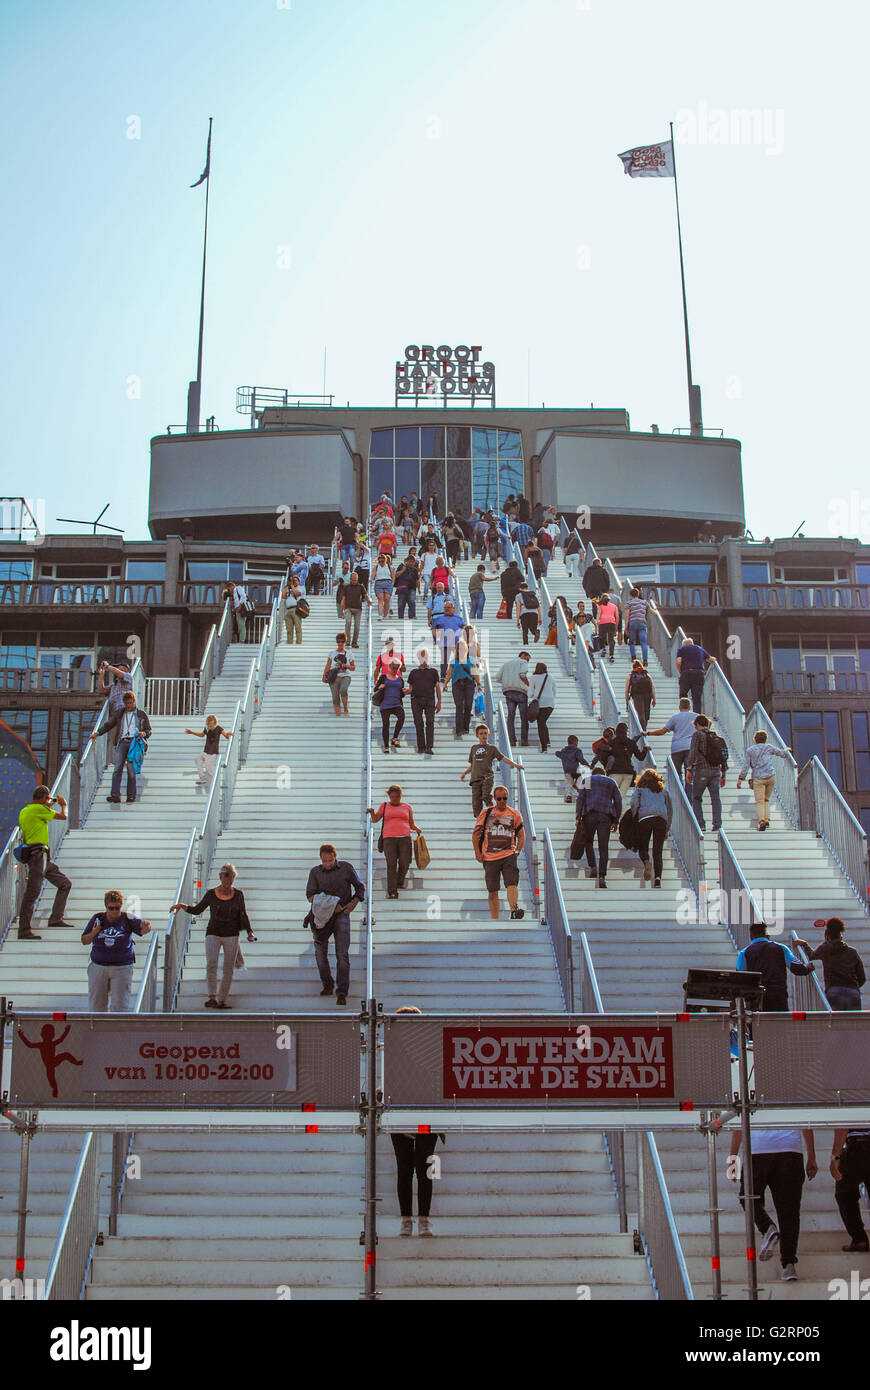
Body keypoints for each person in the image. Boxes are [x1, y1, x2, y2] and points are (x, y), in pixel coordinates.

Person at [729, 1128, 817, 1282]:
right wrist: (811, 1156)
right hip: (791, 1149)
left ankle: (768, 1228)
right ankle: (789, 1265)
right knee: (789, 1211)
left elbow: (738, 1123)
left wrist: (733, 1159)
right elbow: (805, 1121)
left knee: (748, 1197)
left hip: (758, 1150)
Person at [170, 863, 255, 1009]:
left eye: (230, 881)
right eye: (225, 880)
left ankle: (222, 999)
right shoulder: (211, 894)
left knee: (228, 968)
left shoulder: (238, 895)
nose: (227, 884)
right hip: (213, 933)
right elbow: (198, 910)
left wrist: (249, 931)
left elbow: (243, 914)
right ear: (221, 877)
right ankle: (211, 996)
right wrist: (183, 906)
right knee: (212, 964)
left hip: (231, 935)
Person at [391, 1006, 441, 1236]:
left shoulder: (429, 1049)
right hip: (401, 1110)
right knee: (405, 1168)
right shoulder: (395, 1050)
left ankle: (422, 1219)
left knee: (424, 1168)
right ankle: (408, 1220)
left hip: (425, 1111)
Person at [304, 843, 365, 1006]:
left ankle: (342, 992)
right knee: (320, 953)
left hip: (341, 915)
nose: (327, 864)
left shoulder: (346, 868)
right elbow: (310, 896)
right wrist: (330, 903)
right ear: (320, 859)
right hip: (322, 917)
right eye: (324, 861)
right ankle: (327, 984)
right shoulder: (315, 872)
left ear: (335, 857)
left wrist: (353, 903)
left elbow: (360, 887)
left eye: (330, 860)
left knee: (342, 954)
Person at [16, 785, 72, 939]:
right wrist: (63, 804)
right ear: (41, 798)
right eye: (47, 798)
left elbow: (42, 811)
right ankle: (24, 930)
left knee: (65, 884)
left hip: (40, 856)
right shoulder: (38, 809)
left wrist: (47, 804)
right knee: (32, 892)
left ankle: (56, 918)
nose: (49, 801)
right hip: (38, 854)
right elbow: (63, 816)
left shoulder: (26, 810)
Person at [82, 890, 151, 1011]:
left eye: (117, 908)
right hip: (99, 966)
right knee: (96, 1005)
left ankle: (116, 1029)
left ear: (121, 906)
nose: (114, 911)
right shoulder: (98, 918)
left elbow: (143, 930)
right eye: (111, 908)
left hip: (121, 967)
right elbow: (84, 940)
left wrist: (147, 927)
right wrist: (94, 932)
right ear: (106, 907)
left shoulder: (128, 918)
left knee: (120, 1005)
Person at [735, 922, 815, 1012]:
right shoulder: (781, 948)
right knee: (780, 1024)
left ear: (751, 936)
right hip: (779, 997)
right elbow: (798, 969)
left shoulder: (744, 953)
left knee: (758, 1025)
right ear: (767, 935)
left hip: (756, 1000)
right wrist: (808, 968)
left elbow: (739, 979)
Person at [472, 786, 526, 920]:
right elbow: (476, 834)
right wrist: (478, 853)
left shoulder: (515, 814)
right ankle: (495, 918)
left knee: (512, 882)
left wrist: (517, 851)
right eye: (499, 799)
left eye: (505, 798)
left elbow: (521, 835)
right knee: (492, 889)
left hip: (508, 854)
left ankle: (514, 909)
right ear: (495, 799)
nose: (502, 801)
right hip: (490, 857)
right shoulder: (486, 813)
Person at [89, 690, 152, 804]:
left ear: (134, 701)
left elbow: (148, 730)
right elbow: (109, 724)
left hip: (135, 743)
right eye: (126, 703)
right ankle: (115, 795)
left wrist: (143, 733)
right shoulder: (120, 713)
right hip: (122, 742)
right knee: (117, 769)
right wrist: (97, 733)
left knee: (131, 770)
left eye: (130, 703)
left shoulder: (141, 714)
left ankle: (131, 796)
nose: (128, 705)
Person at [792, 917, 866, 1010]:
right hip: (852, 992)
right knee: (854, 1023)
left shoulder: (825, 948)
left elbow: (811, 956)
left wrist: (804, 944)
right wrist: (852, 987)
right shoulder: (853, 952)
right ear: (841, 937)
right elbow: (862, 978)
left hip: (834, 991)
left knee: (835, 1023)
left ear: (827, 937)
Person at [366, 785, 422, 898]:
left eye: (397, 796)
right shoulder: (384, 806)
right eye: (392, 797)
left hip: (405, 838)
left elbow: (411, 823)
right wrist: (372, 812)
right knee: (391, 864)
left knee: (405, 862)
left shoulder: (407, 807)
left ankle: (399, 882)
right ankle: (392, 891)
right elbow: (376, 819)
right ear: (389, 796)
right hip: (389, 839)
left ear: (400, 796)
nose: (394, 799)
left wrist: (417, 829)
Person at [736, 730, 794, 831]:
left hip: (759, 778)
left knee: (759, 801)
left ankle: (761, 821)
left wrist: (741, 778)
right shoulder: (769, 747)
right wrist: (787, 750)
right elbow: (782, 754)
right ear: (765, 739)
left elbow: (746, 766)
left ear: (755, 739)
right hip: (771, 776)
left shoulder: (750, 750)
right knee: (766, 799)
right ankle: (767, 819)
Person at [461, 724, 524, 816]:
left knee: (486, 796)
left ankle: (494, 814)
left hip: (487, 777)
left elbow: (502, 758)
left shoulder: (492, 748)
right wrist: (465, 773)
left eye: (485, 733)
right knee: (476, 803)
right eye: (481, 733)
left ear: (489, 735)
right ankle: (480, 822)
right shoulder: (474, 748)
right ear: (477, 735)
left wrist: (515, 765)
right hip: (475, 779)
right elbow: (473, 764)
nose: (483, 736)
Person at [573, 770, 622, 888]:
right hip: (605, 816)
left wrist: (578, 816)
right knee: (603, 847)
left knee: (588, 841)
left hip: (589, 814)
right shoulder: (611, 782)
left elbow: (580, 799)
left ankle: (593, 867)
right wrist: (616, 819)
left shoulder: (587, 780)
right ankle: (602, 877)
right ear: (604, 773)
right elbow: (618, 801)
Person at [830, 1124, 870, 1252]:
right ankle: (859, 1239)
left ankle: (859, 1239)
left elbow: (842, 1124)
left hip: (856, 1145)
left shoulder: (848, 1102)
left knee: (844, 1193)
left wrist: (835, 1157)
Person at [630, 768, 672, 887]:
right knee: (657, 852)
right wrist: (667, 828)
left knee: (643, 847)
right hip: (661, 820)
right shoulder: (663, 791)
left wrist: (635, 815)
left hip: (645, 819)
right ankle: (658, 879)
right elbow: (670, 809)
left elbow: (633, 803)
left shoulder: (640, 790)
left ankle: (646, 862)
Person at [686, 714, 727, 832]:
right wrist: (723, 773)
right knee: (715, 798)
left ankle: (701, 824)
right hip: (716, 771)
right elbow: (723, 756)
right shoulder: (716, 736)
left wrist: (689, 768)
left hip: (702, 770)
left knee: (697, 798)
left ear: (698, 724)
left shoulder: (697, 735)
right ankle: (717, 824)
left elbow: (693, 752)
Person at [646, 697, 696, 782]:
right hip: (690, 747)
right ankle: (688, 793)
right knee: (689, 771)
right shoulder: (696, 716)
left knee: (676, 772)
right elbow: (708, 723)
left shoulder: (675, 718)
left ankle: (678, 791)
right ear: (689, 707)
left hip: (677, 748)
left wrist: (648, 733)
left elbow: (663, 731)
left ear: (679, 707)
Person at [407, 648, 441, 755]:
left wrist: (439, 702)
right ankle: (421, 747)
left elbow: (437, 687)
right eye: (421, 657)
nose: (424, 659)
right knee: (418, 723)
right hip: (416, 700)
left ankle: (429, 747)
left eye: (425, 657)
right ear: (418, 658)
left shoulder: (433, 671)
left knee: (430, 722)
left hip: (429, 700)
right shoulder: (413, 672)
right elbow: (410, 688)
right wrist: (405, 691)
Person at [495, 650, 531, 747]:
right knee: (524, 717)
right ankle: (524, 740)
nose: (527, 661)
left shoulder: (506, 664)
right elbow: (522, 674)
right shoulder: (523, 662)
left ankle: (511, 740)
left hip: (508, 692)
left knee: (511, 716)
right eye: (528, 659)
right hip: (521, 692)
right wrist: (528, 684)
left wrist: (508, 680)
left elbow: (497, 677)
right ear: (523, 656)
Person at [444, 646, 482, 737]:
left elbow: (475, 672)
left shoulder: (471, 659)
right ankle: (459, 729)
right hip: (457, 684)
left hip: (469, 684)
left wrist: (479, 683)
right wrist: (445, 684)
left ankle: (466, 727)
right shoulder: (453, 661)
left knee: (468, 705)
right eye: (460, 648)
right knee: (459, 705)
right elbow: (449, 673)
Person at [185, 714, 230, 785]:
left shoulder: (219, 728)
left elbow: (226, 735)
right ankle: (202, 778)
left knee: (209, 771)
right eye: (209, 726)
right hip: (205, 752)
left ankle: (213, 784)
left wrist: (229, 734)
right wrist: (191, 732)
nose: (210, 727)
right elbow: (202, 735)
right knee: (198, 759)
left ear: (215, 723)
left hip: (213, 753)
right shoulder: (206, 729)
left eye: (212, 726)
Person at [604, 722, 646, 798]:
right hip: (628, 772)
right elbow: (641, 757)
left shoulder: (611, 743)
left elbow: (605, 757)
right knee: (626, 795)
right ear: (626, 731)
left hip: (614, 772)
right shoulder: (631, 742)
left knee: (614, 795)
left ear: (616, 731)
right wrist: (645, 749)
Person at [675, 635, 714, 713]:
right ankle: (696, 717)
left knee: (683, 695)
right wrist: (714, 659)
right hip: (698, 674)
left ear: (684, 645)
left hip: (686, 673)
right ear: (692, 643)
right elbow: (711, 660)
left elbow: (678, 662)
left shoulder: (681, 649)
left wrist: (681, 672)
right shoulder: (700, 649)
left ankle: (684, 713)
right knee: (697, 698)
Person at [374, 659, 406, 751]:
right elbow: (375, 689)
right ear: (389, 667)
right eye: (393, 668)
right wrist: (379, 687)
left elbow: (402, 694)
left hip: (397, 703)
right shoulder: (384, 677)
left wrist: (405, 691)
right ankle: (386, 746)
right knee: (386, 724)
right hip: (385, 704)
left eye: (396, 668)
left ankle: (395, 738)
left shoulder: (400, 679)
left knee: (402, 717)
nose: (394, 670)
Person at [322, 633, 355, 717]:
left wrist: (346, 666)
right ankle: (338, 716)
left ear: (345, 642)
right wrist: (324, 675)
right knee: (335, 698)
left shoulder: (349, 653)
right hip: (333, 677)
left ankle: (345, 708)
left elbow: (353, 667)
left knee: (343, 690)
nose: (340, 643)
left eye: (342, 641)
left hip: (345, 676)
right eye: (338, 641)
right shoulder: (332, 653)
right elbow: (328, 665)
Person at [431, 600, 465, 679]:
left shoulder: (459, 618)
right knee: (444, 660)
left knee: (459, 659)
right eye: (445, 607)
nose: (446, 609)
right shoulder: (439, 618)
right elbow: (433, 628)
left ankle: (460, 674)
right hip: (444, 643)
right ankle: (443, 676)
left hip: (457, 643)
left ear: (453, 608)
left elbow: (464, 627)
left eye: (448, 607)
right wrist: (436, 636)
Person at [527, 661, 556, 753]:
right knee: (543, 722)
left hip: (540, 705)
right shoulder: (551, 677)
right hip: (550, 704)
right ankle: (547, 741)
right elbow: (554, 692)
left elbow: (530, 693)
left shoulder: (533, 678)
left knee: (541, 724)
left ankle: (544, 746)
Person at [341, 571, 372, 648]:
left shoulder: (361, 586)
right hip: (348, 608)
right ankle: (347, 641)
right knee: (348, 623)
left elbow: (365, 595)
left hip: (358, 609)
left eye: (356, 580)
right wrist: (341, 609)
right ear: (350, 579)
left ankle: (354, 642)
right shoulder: (346, 587)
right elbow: (343, 598)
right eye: (353, 580)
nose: (354, 581)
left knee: (357, 626)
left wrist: (369, 601)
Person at [555, 735, 589, 802]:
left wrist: (557, 753)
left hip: (567, 770)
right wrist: (587, 765)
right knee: (580, 780)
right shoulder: (577, 750)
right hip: (575, 769)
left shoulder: (563, 751)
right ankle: (581, 793)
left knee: (568, 783)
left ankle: (568, 796)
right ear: (575, 742)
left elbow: (559, 754)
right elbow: (581, 759)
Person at [625, 659, 655, 731]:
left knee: (640, 714)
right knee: (646, 714)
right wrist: (654, 699)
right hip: (648, 695)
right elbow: (652, 687)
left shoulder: (631, 676)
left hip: (637, 696)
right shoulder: (647, 675)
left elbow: (627, 690)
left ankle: (642, 731)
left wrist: (627, 703)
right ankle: (644, 729)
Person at [624, 588, 649, 665]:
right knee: (643, 642)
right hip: (642, 623)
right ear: (638, 594)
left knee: (632, 642)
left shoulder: (629, 603)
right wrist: (656, 612)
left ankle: (634, 658)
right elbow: (651, 610)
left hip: (633, 623)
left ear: (631, 595)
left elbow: (627, 616)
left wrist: (626, 627)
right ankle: (645, 660)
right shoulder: (644, 602)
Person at [595, 592, 621, 663]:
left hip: (603, 622)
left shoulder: (600, 606)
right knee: (611, 639)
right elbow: (617, 617)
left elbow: (598, 615)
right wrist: (616, 626)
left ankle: (603, 649)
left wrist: (597, 622)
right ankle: (611, 655)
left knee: (601, 637)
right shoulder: (614, 606)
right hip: (612, 622)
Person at [282, 575, 305, 644]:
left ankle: (298, 643)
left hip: (296, 608)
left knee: (298, 628)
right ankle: (289, 643)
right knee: (289, 629)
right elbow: (283, 596)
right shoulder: (288, 589)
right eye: (292, 580)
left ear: (298, 582)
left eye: (295, 580)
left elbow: (297, 593)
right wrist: (286, 587)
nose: (293, 582)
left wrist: (292, 586)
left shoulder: (301, 588)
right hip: (288, 609)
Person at [372, 552, 395, 620]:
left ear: (385, 560)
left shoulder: (389, 567)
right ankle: (380, 615)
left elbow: (393, 576)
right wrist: (371, 579)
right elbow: (373, 575)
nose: (381, 562)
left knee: (387, 599)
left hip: (388, 582)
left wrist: (392, 583)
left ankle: (385, 614)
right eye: (380, 560)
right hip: (379, 582)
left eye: (383, 560)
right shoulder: (376, 567)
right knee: (380, 599)